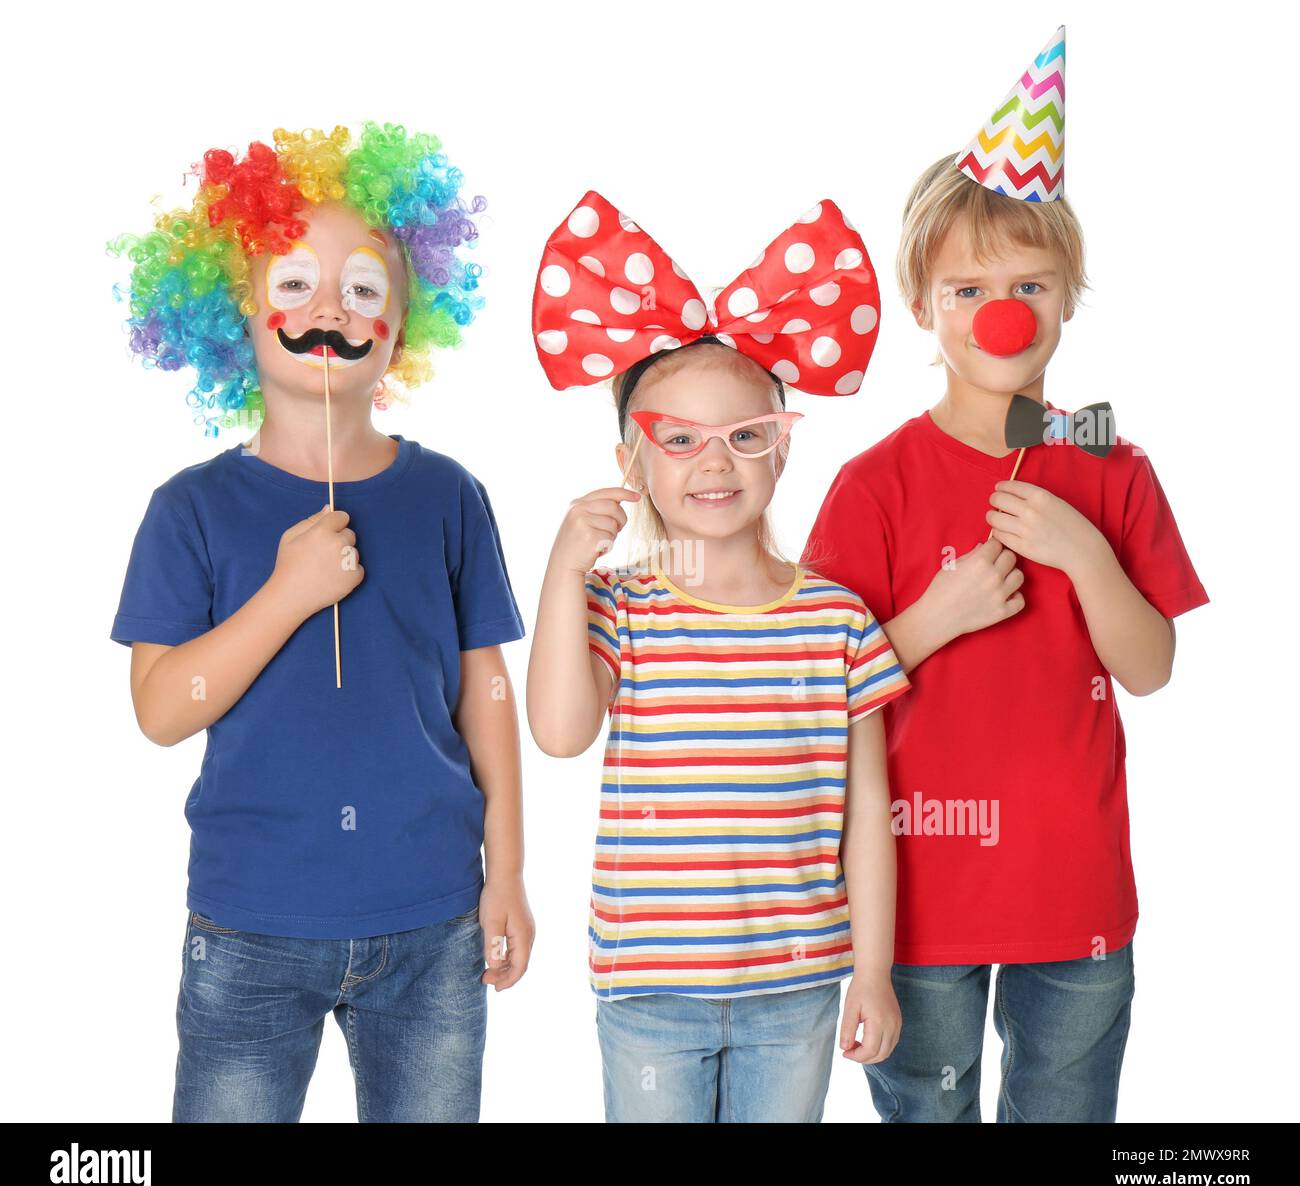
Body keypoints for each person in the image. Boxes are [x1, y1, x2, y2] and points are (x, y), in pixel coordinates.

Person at [802, 29, 1209, 1121]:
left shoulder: (1110, 465)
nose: (1002, 310)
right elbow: (807, 685)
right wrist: (932, 619)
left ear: (1068, 296)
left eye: (1029, 281)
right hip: (919, 896)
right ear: (923, 306)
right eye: (968, 286)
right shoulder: (871, 484)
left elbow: (1153, 666)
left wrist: (1084, 555)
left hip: (1075, 887)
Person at [108, 122, 532, 1122]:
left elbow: (488, 692)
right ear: (235, 312)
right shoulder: (190, 510)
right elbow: (164, 710)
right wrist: (287, 593)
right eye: (295, 284)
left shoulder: (449, 496)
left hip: (433, 920)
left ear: (400, 323)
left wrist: (506, 871)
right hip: (250, 921)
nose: (330, 310)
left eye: (363, 289)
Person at [527, 191, 909, 1121]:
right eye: (681, 440)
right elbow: (560, 733)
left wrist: (875, 969)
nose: (716, 462)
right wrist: (562, 571)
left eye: (746, 437)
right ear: (633, 463)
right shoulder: (626, 605)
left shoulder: (837, 620)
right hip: (650, 980)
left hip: (800, 979)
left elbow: (868, 810)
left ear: (782, 454)